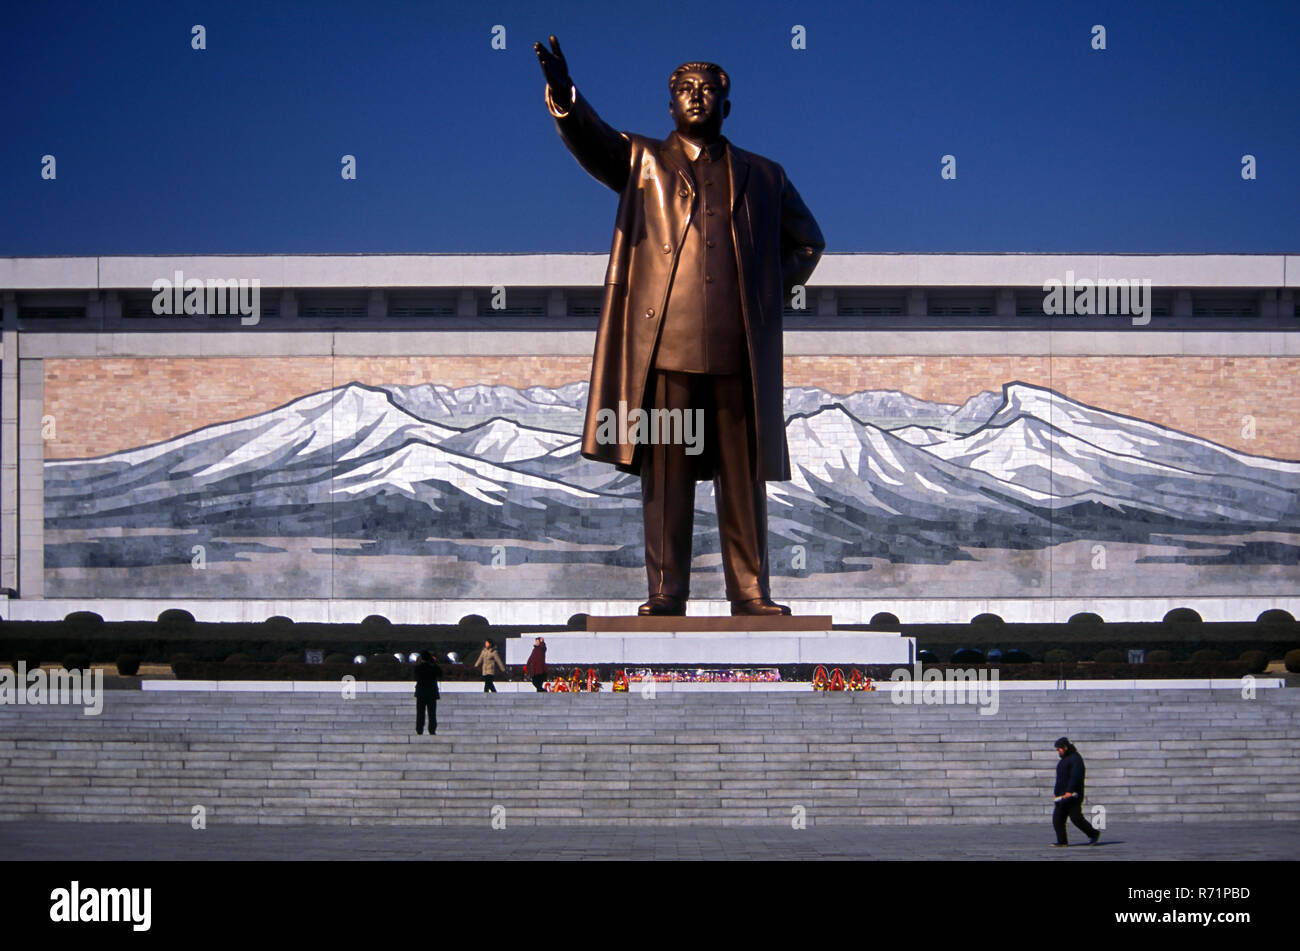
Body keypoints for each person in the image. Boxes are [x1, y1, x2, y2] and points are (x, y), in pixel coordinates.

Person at [534, 36, 824, 618]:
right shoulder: (643, 162)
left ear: (726, 105)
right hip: (666, 347)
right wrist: (565, 95)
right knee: (666, 477)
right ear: (670, 106)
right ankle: (667, 590)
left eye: (708, 90)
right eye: (685, 90)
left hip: (738, 349)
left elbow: (808, 242)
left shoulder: (765, 177)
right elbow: (591, 140)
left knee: (742, 479)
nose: (697, 97)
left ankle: (750, 591)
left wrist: (764, 289)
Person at [1052, 736, 1100, 846]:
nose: (1058, 752)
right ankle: (1062, 842)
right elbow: (1060, 779)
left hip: (1073, 795)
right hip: (1062, 796)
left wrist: (1070, 791)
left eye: (1059, 749)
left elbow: (1075, 777)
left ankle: (1093, 834)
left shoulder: (1076, 759)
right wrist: (1056, 792)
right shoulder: (1064, 760)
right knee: (1057, 819)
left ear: (1065, 747)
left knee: (1076, 818)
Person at [413, 650, 441, 736]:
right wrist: (434, 662)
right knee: (432, 713)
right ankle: (432, 729)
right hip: (431, 693)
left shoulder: (418, 668)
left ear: (421, 658)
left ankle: (419, 729)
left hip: (421, 693)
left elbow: (415, 676)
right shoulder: (433, 668)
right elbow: (440, 673)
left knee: (420, 712)